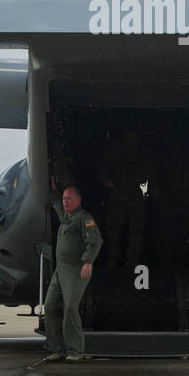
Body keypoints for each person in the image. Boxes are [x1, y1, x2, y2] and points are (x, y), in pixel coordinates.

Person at [44, 179, 103, 362]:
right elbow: (55, 202)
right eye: (64, 198)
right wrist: (54, 190)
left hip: (76, 271)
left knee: (70, 307)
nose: (65, 202)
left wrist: (88, 262)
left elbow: (95, 242)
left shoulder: (84, 219)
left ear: (78, 200)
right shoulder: (67, 217)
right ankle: (58, 348)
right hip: (60, 271)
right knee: (50, 306)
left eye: (69, 199)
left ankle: (75, 351)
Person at [98, 129, 150, 267]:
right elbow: (102, 167)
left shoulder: (142, 152)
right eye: (129, 134)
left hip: (136, 195)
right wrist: (107, 181)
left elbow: (149, 172)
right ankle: (111, 260)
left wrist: (147, 191)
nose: (131, 137)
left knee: (136, 231)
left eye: (133, 134)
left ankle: (133, 261)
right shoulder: (116, 150)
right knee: (114, 230)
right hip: (118, 194)